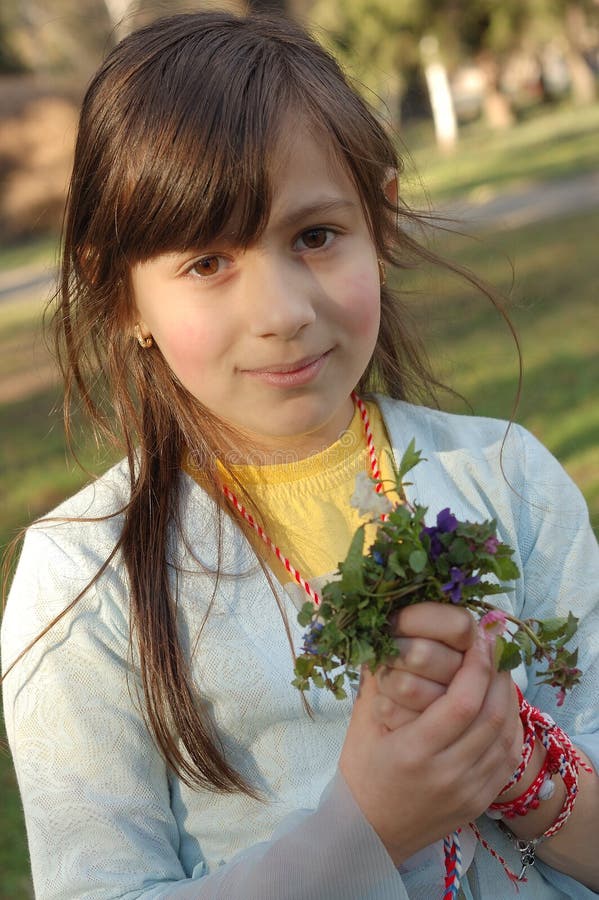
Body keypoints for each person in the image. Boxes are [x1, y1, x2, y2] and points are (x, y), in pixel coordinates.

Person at [2, 10, 598, 900]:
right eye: (207, 261)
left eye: (315, 236)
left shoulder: (507, 478)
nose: (280, 309)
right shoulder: (81, 580)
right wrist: (370, 825)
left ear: (379, 219)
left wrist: (514, 764)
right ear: (119, 293)